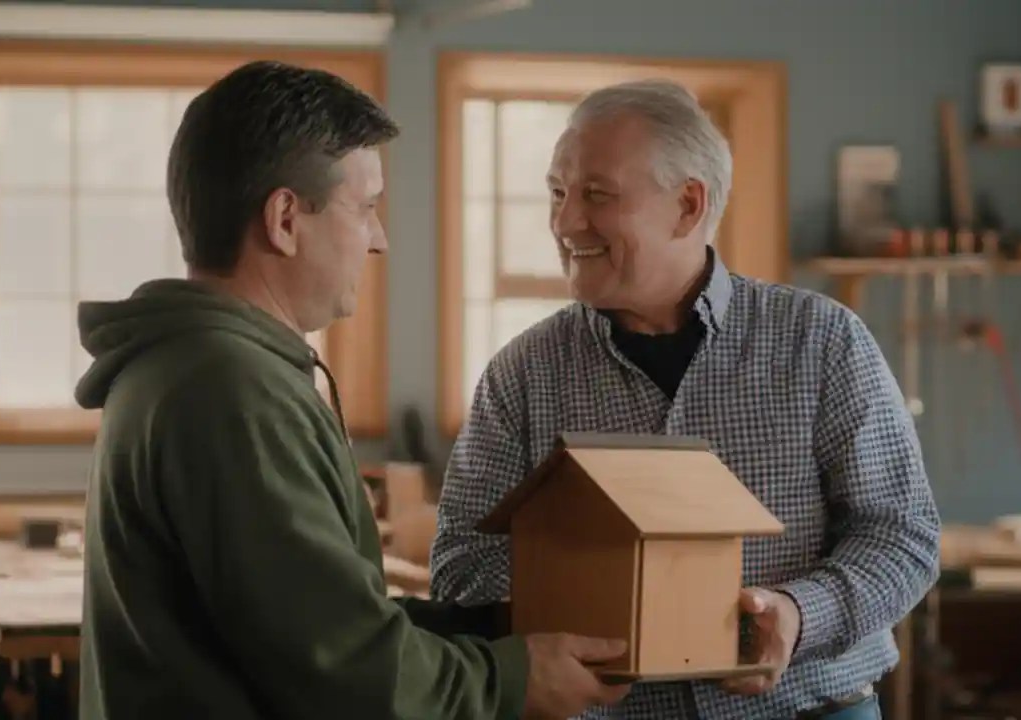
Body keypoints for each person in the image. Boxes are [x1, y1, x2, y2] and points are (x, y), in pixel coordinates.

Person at [73, 60, 630, 720]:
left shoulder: (196, 367)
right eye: (365, 208)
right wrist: (513, 679)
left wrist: (493, 629)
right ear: (284, 218)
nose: (379, 240)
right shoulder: (234, 392)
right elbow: (344, 671)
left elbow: (311, 621)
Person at [430, 78, 942, 719]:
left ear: (688, 206)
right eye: (557, 194)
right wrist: (562, 622)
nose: (564, 223)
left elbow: (902, 536)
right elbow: (461, 563)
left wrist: (800, 614)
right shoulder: (523, 373)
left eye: (597, 195)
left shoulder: (823, 341)